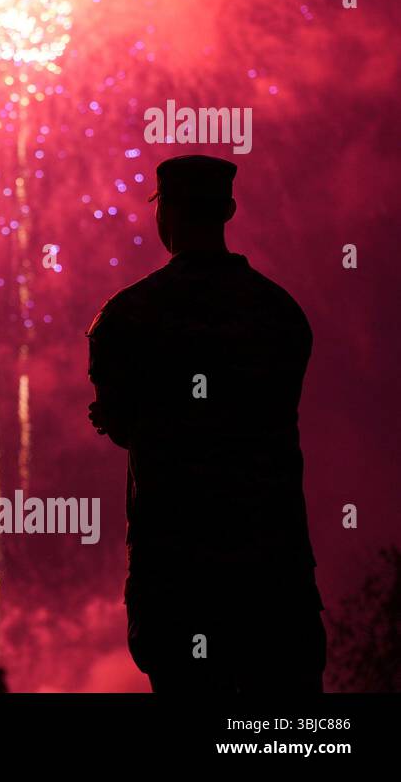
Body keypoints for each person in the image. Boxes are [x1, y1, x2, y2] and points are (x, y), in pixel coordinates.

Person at [87, 155, 324, 692]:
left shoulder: (125, 317)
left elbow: (122, 424)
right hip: (273, 567)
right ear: (228, 209)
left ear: (163, 212)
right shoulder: (280, 312)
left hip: (178, 571)